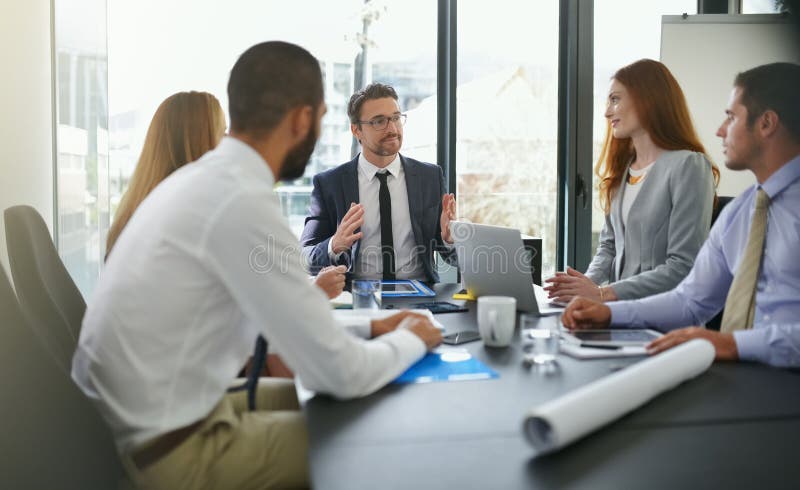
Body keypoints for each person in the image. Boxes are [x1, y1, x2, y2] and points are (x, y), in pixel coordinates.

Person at [72, 41, 442, 489]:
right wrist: (413, 338)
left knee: (336, 400)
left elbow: (288, 324)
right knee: (386, 434)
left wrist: (371, 329)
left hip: (151, 420)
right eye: (321, 118)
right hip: (182, 451)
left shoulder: (204, 180)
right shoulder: (240, 201)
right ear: (303, 118)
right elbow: (342, 374)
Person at [562, 62, 800, 368]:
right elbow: (690, 301)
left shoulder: (689, 167)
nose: (719, 130)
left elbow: (680, 267)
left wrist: (733, 343)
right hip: (739, 380)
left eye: (731, 117)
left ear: (766, 123)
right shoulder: (741, 214)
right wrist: (607, 311)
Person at [105, 90, 345, 300]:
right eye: (221, 132)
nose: (229, 140)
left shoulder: (140, 213)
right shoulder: (201, 215)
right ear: (200, 145)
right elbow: (254, 322)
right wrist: (314, 294)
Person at [545, 59, 719, 304]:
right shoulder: (622, 170)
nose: (607, 112)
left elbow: (683, 266)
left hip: (662, 318)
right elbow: (608, 248)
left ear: (647, 99)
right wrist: (579, 288)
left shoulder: (689, 166)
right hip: (619, 313)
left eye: (615, 99)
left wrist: (602, 293)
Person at [300, 82, 457, 283]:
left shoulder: (430, 177)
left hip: (421, 297)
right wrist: (334, 244)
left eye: (395, 118)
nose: (392, 128)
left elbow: (452, 258)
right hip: (359, 298)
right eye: (379, 121)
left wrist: (449, 240)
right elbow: (304, 258)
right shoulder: (329, 184)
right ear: (356, 130)